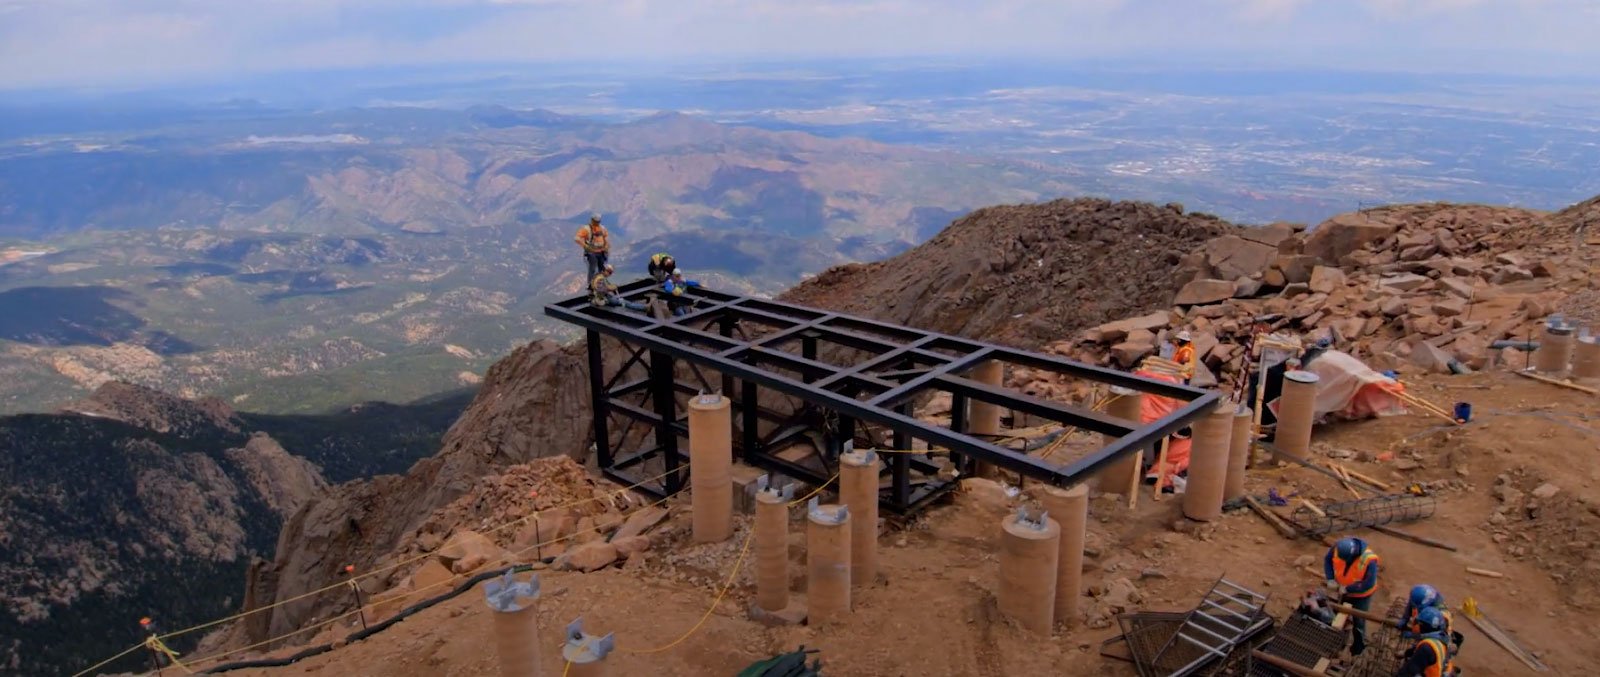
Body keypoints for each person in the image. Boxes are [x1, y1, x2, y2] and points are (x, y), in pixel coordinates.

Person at [1324, 536, 1381, 656]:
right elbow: (1328, 559)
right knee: (1337, 617)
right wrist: (1330, 578)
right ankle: (1335, 643)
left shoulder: (1368, 559)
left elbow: (1368, 583)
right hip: (1342, 590)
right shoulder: (1338, 547)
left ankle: (1358, 650)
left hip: (1361, 595)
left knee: (1359, 622)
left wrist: (1348, 588)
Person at [1395, 607, 1459, 677]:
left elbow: (1408, 671)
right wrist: (1406, 653)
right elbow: (1416, 650)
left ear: (1423, 626)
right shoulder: (1441, 638)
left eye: (1418, 623)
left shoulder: (1426, 647)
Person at [575, 212, 610, 280]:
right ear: (592, 220)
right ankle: (591, 285)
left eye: (598, 221)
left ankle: (600, 284)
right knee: (593, 269)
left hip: (601, 252)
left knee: (602, 269)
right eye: (595, 221)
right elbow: (577, 238)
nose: (597, 223)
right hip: (592, 252)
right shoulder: (586, 229)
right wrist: (585, 246)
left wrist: (606, 247)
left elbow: (606, 238)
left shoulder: (602, 228)